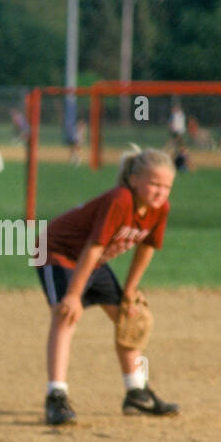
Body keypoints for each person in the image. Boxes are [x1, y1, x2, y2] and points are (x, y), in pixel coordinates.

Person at [37, 145, 178, 425]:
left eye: (166, 186)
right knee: (66, 316)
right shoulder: (120, 200)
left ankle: (136, 392)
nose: (160, 192)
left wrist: (129, 290)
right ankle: (56, 396)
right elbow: (92, 246)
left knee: (128, 320)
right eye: (153, 184)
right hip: (58, 250)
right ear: (134, 179)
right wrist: (74, 295)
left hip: (94, 260)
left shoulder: (159, 209)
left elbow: (146, 248)